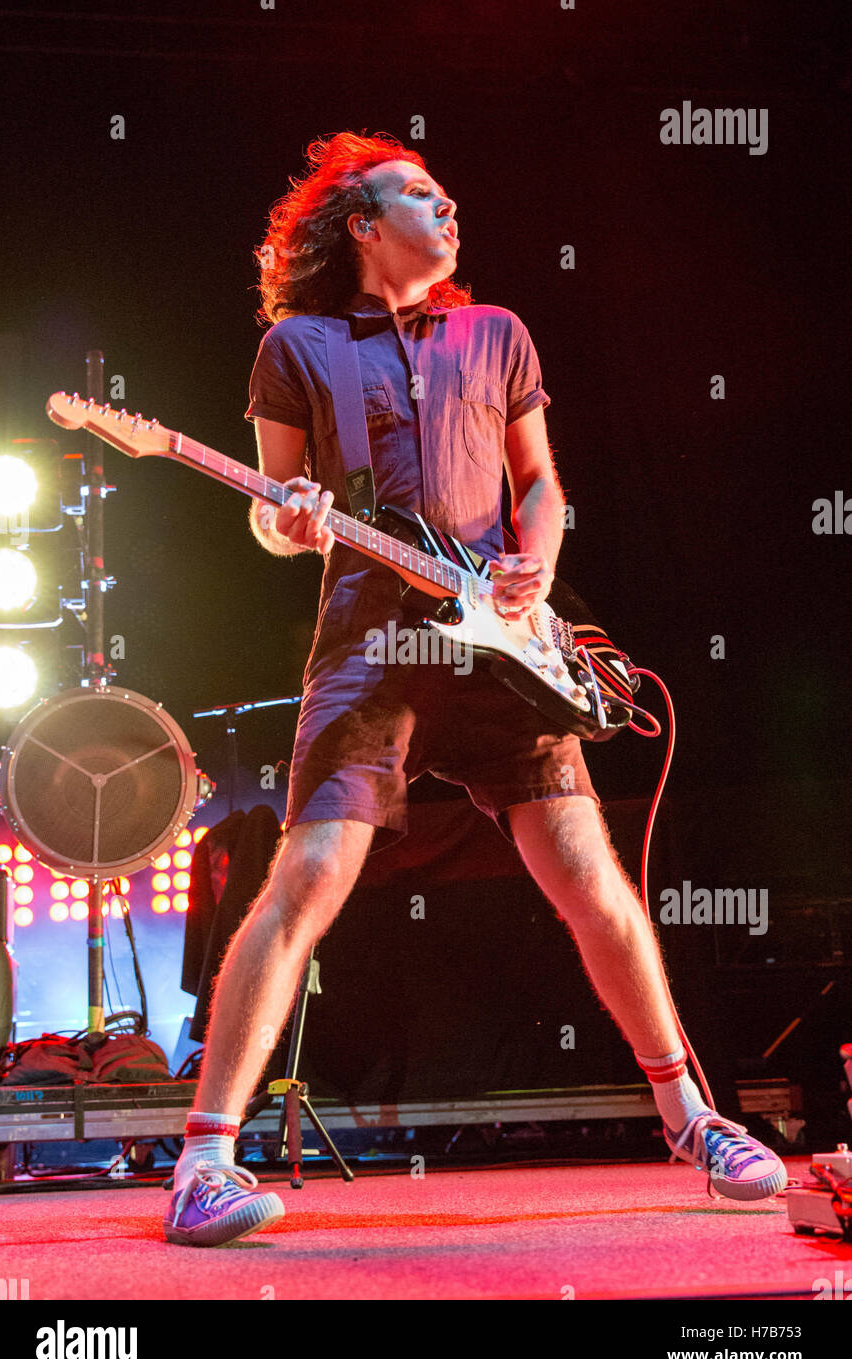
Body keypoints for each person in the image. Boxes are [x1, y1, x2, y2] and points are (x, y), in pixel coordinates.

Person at [164, 132, 786, 1247]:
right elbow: (271, 510)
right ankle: (204, 1159)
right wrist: (287, 518)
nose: (447, 208)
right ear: (359, 223)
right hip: (369, 642)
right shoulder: (294, 347)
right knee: (304, 876)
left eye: (448, 194)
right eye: (420, 195)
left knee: (590, 879)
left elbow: (537, 482)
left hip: (504, 643)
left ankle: (692, 1118)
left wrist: (534, 564)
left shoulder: (495, 334)